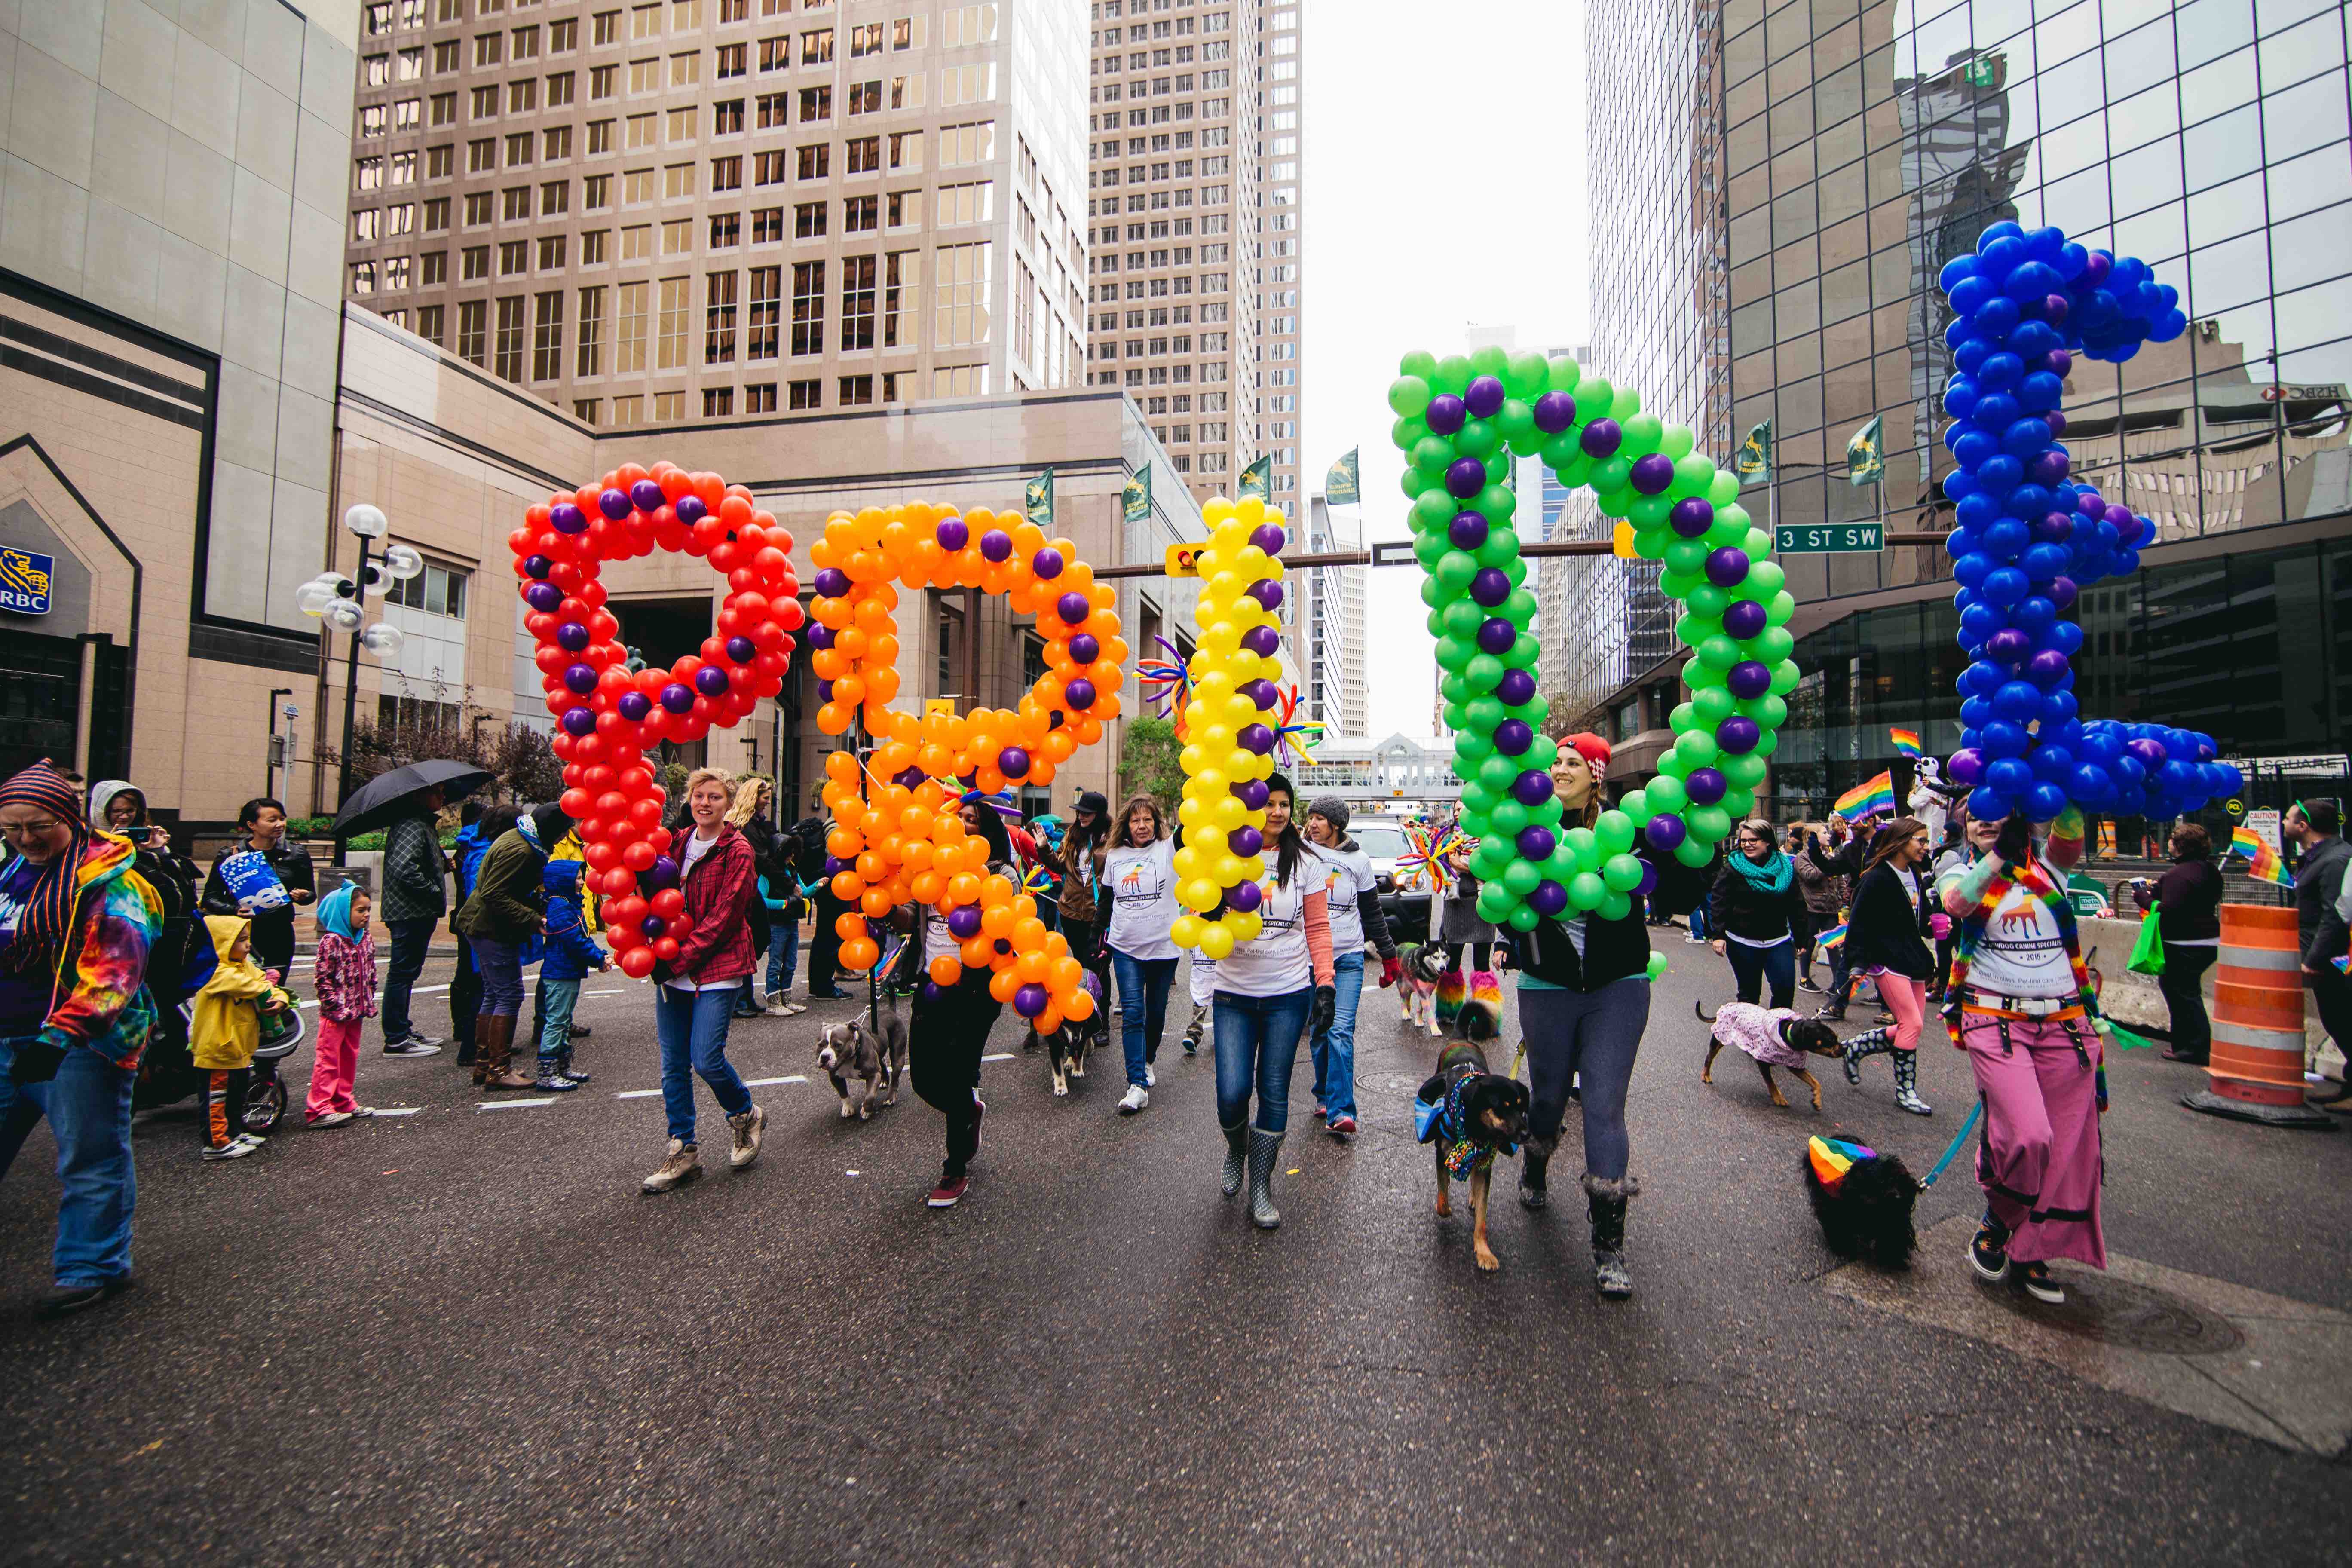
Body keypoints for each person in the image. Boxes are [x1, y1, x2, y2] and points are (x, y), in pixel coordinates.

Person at [1511, 733, 1703, 1298]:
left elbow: (1684, 893)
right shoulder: (1524, 827)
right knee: (1548, 1098)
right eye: (1555, 761)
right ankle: (1536, 1162)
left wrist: (1696, 843)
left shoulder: (1630, 828)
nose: (1559, 769)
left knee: (1603, 1102)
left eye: (1573, 762)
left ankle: (1609, 1243)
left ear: (1596, 774)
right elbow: (1504, 901)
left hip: (1618, 985)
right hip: (1547, 985)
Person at [0, 763, 161, 1316]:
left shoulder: (112, 882)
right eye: (12, 828)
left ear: (68, 817)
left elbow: (117, 970)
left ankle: (92, 1267)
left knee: (90, 1159)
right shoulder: (12, 872)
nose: (26, 838)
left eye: (38, 826)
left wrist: (59, 1037)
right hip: (7, 1036)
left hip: (79, 1048)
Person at [1939, 808, 2105, 1305]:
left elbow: (2071, 834)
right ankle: (2000, 1219)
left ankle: (2033, 1249)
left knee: (2066, 1148)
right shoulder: (1958, 867)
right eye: (1976, 818)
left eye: (1996, 815)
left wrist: (2063, 789)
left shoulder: (2051, 866)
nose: (1985, 822)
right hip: (1994, 1021)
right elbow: (1958, 903)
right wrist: (1999, 856)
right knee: (2030, 1137)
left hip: (2066, 1025)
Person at [1210, 773, 1335, 1231]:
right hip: (1233, 993)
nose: (1277, 812)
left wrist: (1326, 984)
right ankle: (1237, 1148)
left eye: (1285, 804)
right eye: (1269, 803)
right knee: (1232, 1092)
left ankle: (1261, 1186)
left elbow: (1318, 928)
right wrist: (1209, 910)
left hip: (1288, 994)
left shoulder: (1307, 862)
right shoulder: (1225, 854)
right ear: (1250, 806)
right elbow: (1200, 913)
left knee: (1275, 1090)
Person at [643, 769, 768, 1193]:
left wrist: (679, 960)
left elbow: (725, 918)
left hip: (718, 966)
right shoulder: (675, 843)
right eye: (699, 796)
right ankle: (683, 1149)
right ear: (690, 800)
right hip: (673, 966)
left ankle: (745, 1114)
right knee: (673, 1064)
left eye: (715, 797)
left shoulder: (738, 850)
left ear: (728, 803)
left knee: (706, 1060)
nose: (705, 803)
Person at [906, 793, 1016, 1208]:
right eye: (959, 817)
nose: (962, 824)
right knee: (922, 1080)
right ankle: (970, 1110)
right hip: (931, 984)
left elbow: (1009, 929)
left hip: (975, 989)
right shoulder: (930, 867)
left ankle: (954, 1168)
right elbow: (908, 915)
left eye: (972, 819)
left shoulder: (1001, 873)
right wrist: (879, 911)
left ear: (987, 829)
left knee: (955, 1074)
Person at [1303, 796, 1400, 1140]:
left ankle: (1341, 1110)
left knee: (1340, 1030)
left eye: (1320, 818)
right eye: (1311, 817)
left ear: (1336, 824)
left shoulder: (1359, 860)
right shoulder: (1301, 853)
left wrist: (1389, 956)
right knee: (1318, 1030)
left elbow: (1372, 912)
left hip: (1348, 957)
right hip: (1309, 960)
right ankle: (1324, 1094)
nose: (1313, 824)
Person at [453, 804, 564, 1091]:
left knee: (493, 994)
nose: (563, 838)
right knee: (509, 994)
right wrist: (533, 918)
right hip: (491, 928)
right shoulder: (521, 850)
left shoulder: (518, 838)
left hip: (483, 925)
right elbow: (494, 894)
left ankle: (485, 1064)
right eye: (562, 832)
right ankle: (499, 1069)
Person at [87, 782, 199, 1055]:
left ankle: (164, 1067)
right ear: (102, 813)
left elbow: (183, 892)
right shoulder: (90, 848)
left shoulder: (148, 847)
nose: (125, 817)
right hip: (119, 949)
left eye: (131, 811)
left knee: (168, 1016)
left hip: (165, 945)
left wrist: (160, 852)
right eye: (117, 812)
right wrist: (110, 850)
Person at [1835, 817, 1938, 1115]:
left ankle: (1856, 1047)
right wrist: (1857, 963)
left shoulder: (1915, 873)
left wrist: (1935, 924)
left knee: (1911, 1025)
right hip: (1886, 959)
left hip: (1912, 959)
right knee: (1912, 1024)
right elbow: (1859, 922)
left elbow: (1920, 917)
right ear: (1901, 841)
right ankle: (1906, 1091)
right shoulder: (1876, 877)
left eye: (1926, 841)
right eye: (1920, 840)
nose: (1925, 847)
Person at [1097, 794, 1179, 1116]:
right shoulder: (1115, 855)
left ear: (1156, 823)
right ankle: (1136, 1085)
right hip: (1126, 947)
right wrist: (1097, 936)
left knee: (1156, 1012)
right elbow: (1107, 900)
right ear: (1126, 825)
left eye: (1148, 820)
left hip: (1164, 947)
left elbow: (1190, 830)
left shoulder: (1169, 849)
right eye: (1135, 820)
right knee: (1133, 1012)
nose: (1142, 826)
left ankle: (1147, 1061)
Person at [2129, 822, 2225, 1069]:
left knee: (2182, 994)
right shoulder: (2210, 871)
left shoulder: (2178, 875)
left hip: (2183, 943)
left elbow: (2170, 910)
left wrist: (2144, 899)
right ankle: (2187, 1044)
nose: (2169, 843)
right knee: (2186, 991)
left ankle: (2193, 1047)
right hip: (2209, 940)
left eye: (2172, 839)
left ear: (2181, 846)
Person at [200, 796, 314, 980]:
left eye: (282, 819)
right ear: (252, 825)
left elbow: (310, 893)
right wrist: (235, 910)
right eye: (272, 820)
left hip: (280, 933)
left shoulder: (296, 854)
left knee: (276, 988)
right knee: (245, 987)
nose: (280, 824)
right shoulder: (232, 856)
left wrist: (304, 896)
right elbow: (210, 899)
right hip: (242, 933)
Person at [189, 914, 274, 1160]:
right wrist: (271, 993)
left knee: (236, 1094)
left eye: (248, 939)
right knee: (216, 1098)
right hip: (216, 1049)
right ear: (221, 942)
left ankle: (234, 1133)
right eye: (241, 940)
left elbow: (263, 983)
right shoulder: (214, 971)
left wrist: (275, 994)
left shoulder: (244, 966)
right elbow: (252, 986)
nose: (248, 945)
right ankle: (216, 1143)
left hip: (237, 1047)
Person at [376, 785, 448, 1056]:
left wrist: (442, 866)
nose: (443, 797)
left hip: (415, 911)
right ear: (420, 796)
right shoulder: (412, 825)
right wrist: (432, 889)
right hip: (409, 912)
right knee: (402, 973)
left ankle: (402, 1030)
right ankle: (396, 1037)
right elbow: (404, 867)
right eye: (438, 792)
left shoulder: (420, 824)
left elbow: (415, 862)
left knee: (407, 973)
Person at [2289, 800, 2352, 1108]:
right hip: (2327, 956)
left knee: (2343, 1019)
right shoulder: (2321, 857)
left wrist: (2314, 959)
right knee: (2337, 1019)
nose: (2284, 822)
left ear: (2304, 826)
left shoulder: (2335, 860)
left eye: (2289, 818)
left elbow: (2335, 915)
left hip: (2336, 959)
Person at [535, 834, 610, 1091]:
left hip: (566, 972)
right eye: (577, 878)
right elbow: (575, 941)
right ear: (562, 881)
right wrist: (599, 958)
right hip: (560, 973)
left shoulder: (567, 904)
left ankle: (562, 1067)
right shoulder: (561, 907)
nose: (581, 882)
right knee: (557, 1021)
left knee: (563, 1020)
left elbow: (579, 938)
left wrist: (598, 955)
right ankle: (548, 1073)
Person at [1710, 818, 1807, 1010]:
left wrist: (1802, 938)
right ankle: (1750, 1030)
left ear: (1767, 841)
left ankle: (1775, 1028)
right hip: (1742, 941)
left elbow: (1796, 904)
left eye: (1753, 840)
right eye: (1744, 841)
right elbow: (1720, 902)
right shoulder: (1733, 867)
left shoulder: (1785, 868)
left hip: (1778, 939)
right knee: (1749, 995)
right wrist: (1719, 935)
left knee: (1784, 989)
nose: (1747, 845)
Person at [306, 884, 380, 1126]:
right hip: (335, 1013)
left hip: (356, 1010)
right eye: (360, 910)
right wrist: (333, 1005)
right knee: (328, 1059)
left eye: (368, 910)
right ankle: (320, 1107)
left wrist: (369, 995)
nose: (366, 915)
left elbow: (371, 970)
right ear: (342, 912)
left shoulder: (365, 938)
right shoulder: (331, 941)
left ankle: (343, 1099)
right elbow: (323, 978)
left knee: (349, 1056)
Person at [447, 803, 511, 1066]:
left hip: (474, 926)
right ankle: (474, 1048)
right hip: (482, 928)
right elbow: (486, 894)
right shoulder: (483, 852)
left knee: (483, 986)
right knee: (483, 987)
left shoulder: (473, 847)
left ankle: (484, 1046)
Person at [725, 778, 781, 1017]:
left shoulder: (754, 824)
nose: (768, 802)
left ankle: (745, 998)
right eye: (765, 798)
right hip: (742, 889)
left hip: (750, 887)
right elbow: (762, 859)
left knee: (750, 942)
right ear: (753, 798)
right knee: (745, 942)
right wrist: (788, 883)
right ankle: (739, 1000)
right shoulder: (746, 826)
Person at [1436, 822, 1497, 1025]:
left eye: (1461, 809)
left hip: (1482, 907)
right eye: (1455, 810)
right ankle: (1448, 1011)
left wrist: (1463, 866)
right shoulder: (1448, 841)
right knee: (1452, 963)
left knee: (1482, 964)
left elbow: (1494, 872)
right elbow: (1441, 871)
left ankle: (1486, 1015)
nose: (1457, 813)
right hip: (1456, 907)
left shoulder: (1489, 840)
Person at [1045, 790, 1112, 974]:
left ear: (1099, 815)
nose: (1081, 816)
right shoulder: (1072, 836)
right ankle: (1083, 994)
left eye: (1087, 813)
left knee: (1099, 966)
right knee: (1080, 964)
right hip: (1070, 914)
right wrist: (1043, 848)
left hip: (1098, 916)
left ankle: (1098, 995)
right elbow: (1059, 865)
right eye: (1079, 812)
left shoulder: (1113, 840)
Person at [1790, 823, 1838, 994]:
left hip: (1831, 907)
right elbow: (1809, 876)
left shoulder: (1831, 854)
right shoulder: (1803, 857)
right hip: (1811, 908)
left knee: (1833, 945)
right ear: (1813, 838)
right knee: (1808, 944)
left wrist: (1841, 897)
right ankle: (1805, 979)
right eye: (1825, 833)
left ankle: (1838, 983)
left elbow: (1839, 879)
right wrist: (1826, 864)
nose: (1829, 836)